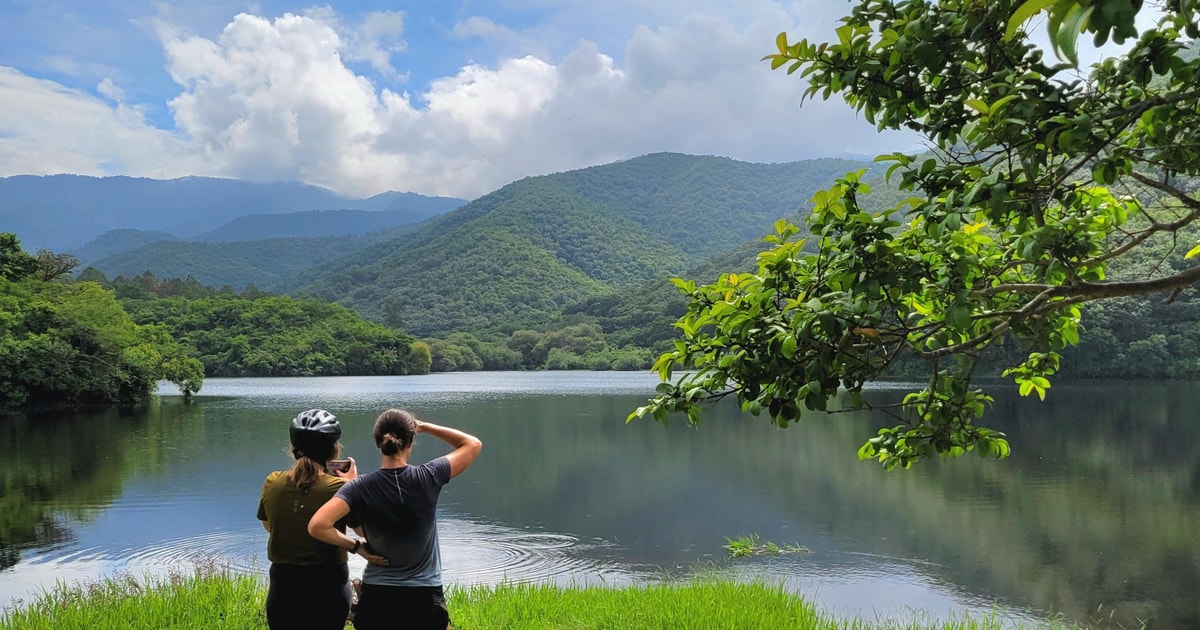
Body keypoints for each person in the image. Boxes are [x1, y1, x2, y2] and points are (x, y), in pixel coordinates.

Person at [309, 409, 482, 630]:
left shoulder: (358, 487)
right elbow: (472, 444)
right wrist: (424, 426)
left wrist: (357, 547)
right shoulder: (429, 476)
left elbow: (317, 526)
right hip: (424, 596)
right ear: (410, 441)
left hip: (377, 597)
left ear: (377, 442)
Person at [256, 408, 381, 629]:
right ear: (333, 451)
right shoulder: (342, 488)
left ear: (294, 448)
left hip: (283, 587)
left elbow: (270, 527)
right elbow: (363, 531)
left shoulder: (272, 482)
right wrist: (352, 485)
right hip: (328, 586)